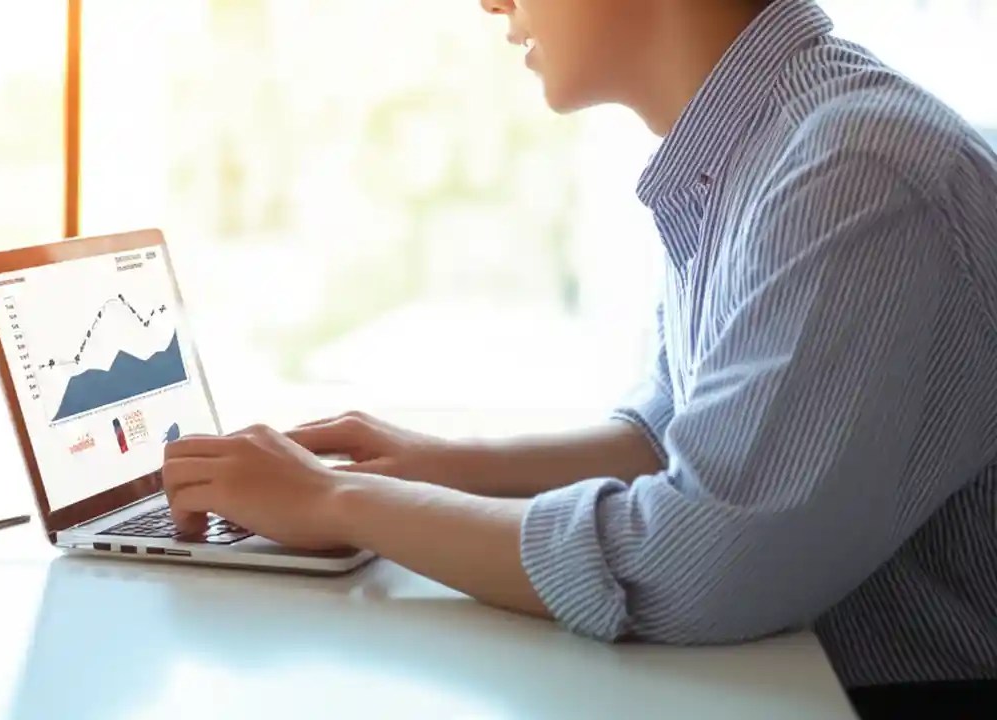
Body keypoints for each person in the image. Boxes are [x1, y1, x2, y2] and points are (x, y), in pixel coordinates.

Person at [161, 0, 997, 715]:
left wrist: (340, 500)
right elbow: (670, 435)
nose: (488, 2)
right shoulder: (761, 149)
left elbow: (692, 563)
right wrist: (435, 465)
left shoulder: (857, 173)